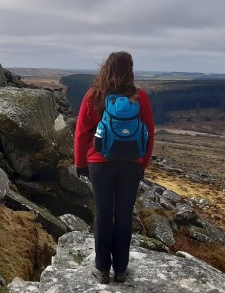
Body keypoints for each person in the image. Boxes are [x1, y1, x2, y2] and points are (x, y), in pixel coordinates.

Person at [73, 51, 155, 284]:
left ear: (106, 68)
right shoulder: (140, 97)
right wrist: (143, 164)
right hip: (131, 166)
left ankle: (102, 270)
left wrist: (80, 163)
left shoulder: (94, 95)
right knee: (124, 216)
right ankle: (121, 270)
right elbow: (149, 133)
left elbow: (81, 133)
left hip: (99, 164)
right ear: (130, 70)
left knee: (103, 215)